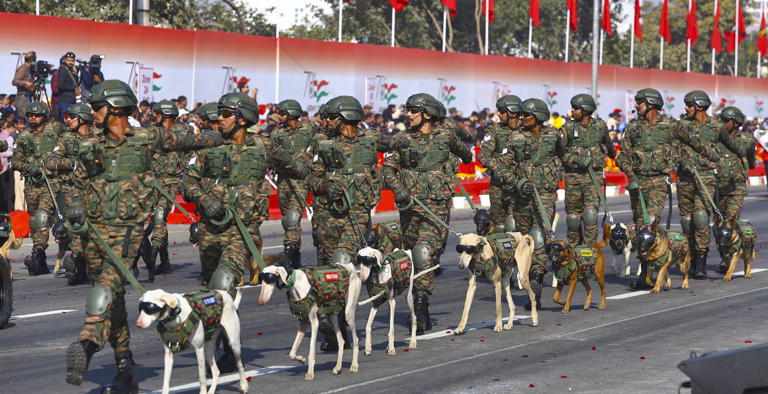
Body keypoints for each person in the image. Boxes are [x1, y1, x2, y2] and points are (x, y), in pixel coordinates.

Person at [63, 80, 225, 393]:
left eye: (97, 107)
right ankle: (125, 367)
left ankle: (86, 344)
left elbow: (186, 141)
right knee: (115, 299)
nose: (92, 113)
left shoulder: (146, 138)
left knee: (104, 291)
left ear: (116, 109)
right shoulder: (89, 145)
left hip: (128, 231)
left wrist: (220, 134)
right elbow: (75, 183)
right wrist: (73, 208)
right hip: (94, 233)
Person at [181, 92, 299, 367]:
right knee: (212, 290)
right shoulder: (207, 145)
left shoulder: (263, 146)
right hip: (211, 230)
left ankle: (229, 352)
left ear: (243, 118)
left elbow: (298, 167)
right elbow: (186, 183)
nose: (218, 119)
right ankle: (224, 341)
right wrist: (205, 198)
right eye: (218, 114)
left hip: (243, 231)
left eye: (225, 114)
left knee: (225, 282)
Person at [382, 93, 472, 332]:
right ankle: (420, 303)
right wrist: (398, 188)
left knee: (425, 253)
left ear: (428, 114)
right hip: (409, 208)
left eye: (413, 110)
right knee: (414, 257)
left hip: (436, 207)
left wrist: (451, 161)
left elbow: (467, 156)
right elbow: (387, 169)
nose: (407, 114)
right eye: (407, 110)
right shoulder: (401, 139)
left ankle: (420, 305)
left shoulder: (445, 136)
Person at [615, 88, 719, 289]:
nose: (636, 106)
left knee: (650, 223)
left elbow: (693, 141)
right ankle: (645, 272)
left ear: (651, 104)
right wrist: (632, 174)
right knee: (639, 227)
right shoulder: (634, 128)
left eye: (640, 102)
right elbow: (622, 156)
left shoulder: (671, 125)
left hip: (658, 183)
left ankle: (649, 273)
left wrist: (711, 155)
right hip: (638, 185)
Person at [497, 98, 566, 310]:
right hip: (521, 197)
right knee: (525, 239)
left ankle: (537, 275)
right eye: (520, 115)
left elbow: (564, 157)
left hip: (544, 194)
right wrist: (517, 183)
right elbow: (502, 168)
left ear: (538, 116)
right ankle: (528, 280)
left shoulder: (554, 136)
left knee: (539, 235)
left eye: (526, 115)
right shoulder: (515, 138)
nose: (521, 119)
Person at [11, 102, 65, 275]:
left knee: (42, 217)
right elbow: (16, 161)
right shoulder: (24, 136)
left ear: (44, 116)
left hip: (51, 182)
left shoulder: (56, 129)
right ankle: (39, 257)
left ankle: (37, 253)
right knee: (35, 222)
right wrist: (29, 168)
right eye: (30, 115)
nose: (33, 118)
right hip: (32, 184)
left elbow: (72, 141)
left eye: (37, 115)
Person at [676, 90, 723, 279]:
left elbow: (727, 149)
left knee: (701, 217)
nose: (685, 108)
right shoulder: (680, 126)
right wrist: (680, 161)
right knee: (687, 221)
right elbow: (672, 148)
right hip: (684, 178)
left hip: (706, 177)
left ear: (700, 106)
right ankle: (692, 257)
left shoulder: (717, 127)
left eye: (689, 105)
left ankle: (702, 260)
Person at [46, 103, 94, 285]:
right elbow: (51, 161)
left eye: (71, 117)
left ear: (82, 119)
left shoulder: (98, 136)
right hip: (71, 189)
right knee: (75, 228)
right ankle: (80, 268)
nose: (67, 120)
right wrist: (71, 163)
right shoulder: (66, 138)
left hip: (94, 188)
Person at [561, 94, 617, 246]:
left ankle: (589, 253)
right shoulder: (567, 128)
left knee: (591, 215)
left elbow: (610, 146)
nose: (572, 111)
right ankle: (574, 250)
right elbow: (559, 152)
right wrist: (576, 159)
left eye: (576, 108)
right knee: (573, 219)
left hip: (593, 180)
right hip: (573, 179)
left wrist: (609, 153)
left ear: (586, 110)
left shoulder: (600, 126)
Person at [270, 99, 314, 268]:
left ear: (291, 114)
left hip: (301, 181)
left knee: (293, 217)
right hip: (283, 181)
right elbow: (272, 156)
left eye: (281, 114)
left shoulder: (310, 129)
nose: (278, 117)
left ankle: (289, 251)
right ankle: (295, 254)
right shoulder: (277, 135)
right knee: (286, 220)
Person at [714, 107, 756, 273]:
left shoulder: (747, 141)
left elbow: (752, 163)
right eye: (722, 120)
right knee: (717, 226)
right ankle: (725, 253)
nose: (723, 124)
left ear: (736, 123)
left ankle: (726, 260)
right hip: (718, 189)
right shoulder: (717, 140)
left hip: (736, 188)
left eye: (726, 121)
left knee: (730, 221)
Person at [148, 100, 185, 275]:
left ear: (163, 115)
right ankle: (165, 262)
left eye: (155, 114)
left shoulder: (183, 133)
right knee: (157, 223)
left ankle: (153, 256)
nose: (151, 117)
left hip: (170, 182)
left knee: (160, 217)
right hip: (151, 183)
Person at [478, 95, 522, 234]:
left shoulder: (525, 131)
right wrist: (500, 169)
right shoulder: (494, 131)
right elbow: (483, 156)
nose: (499, 114)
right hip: (499, 185)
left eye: (502, 111)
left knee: (515, 225)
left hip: (520, 184)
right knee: (499, 226)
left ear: (513, 112)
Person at [56, 52, 79, 123]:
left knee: (71, 122)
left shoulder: (72, 69)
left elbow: (75, 83)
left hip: (71, 102)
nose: (70, 62)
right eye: (68, 60)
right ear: (65, 60)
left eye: (72, 61)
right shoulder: (63, 69)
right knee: (65, 121)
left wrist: (75, 74)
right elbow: (60, 85)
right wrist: (73, 89)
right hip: (65, 102)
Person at [12, 51, 36, 118]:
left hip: (28, 97)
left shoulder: (30, 69)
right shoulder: (23, 68)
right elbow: (14, 81)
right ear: (32, 59)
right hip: (22, 98)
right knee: (24, 117)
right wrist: (25, 83)